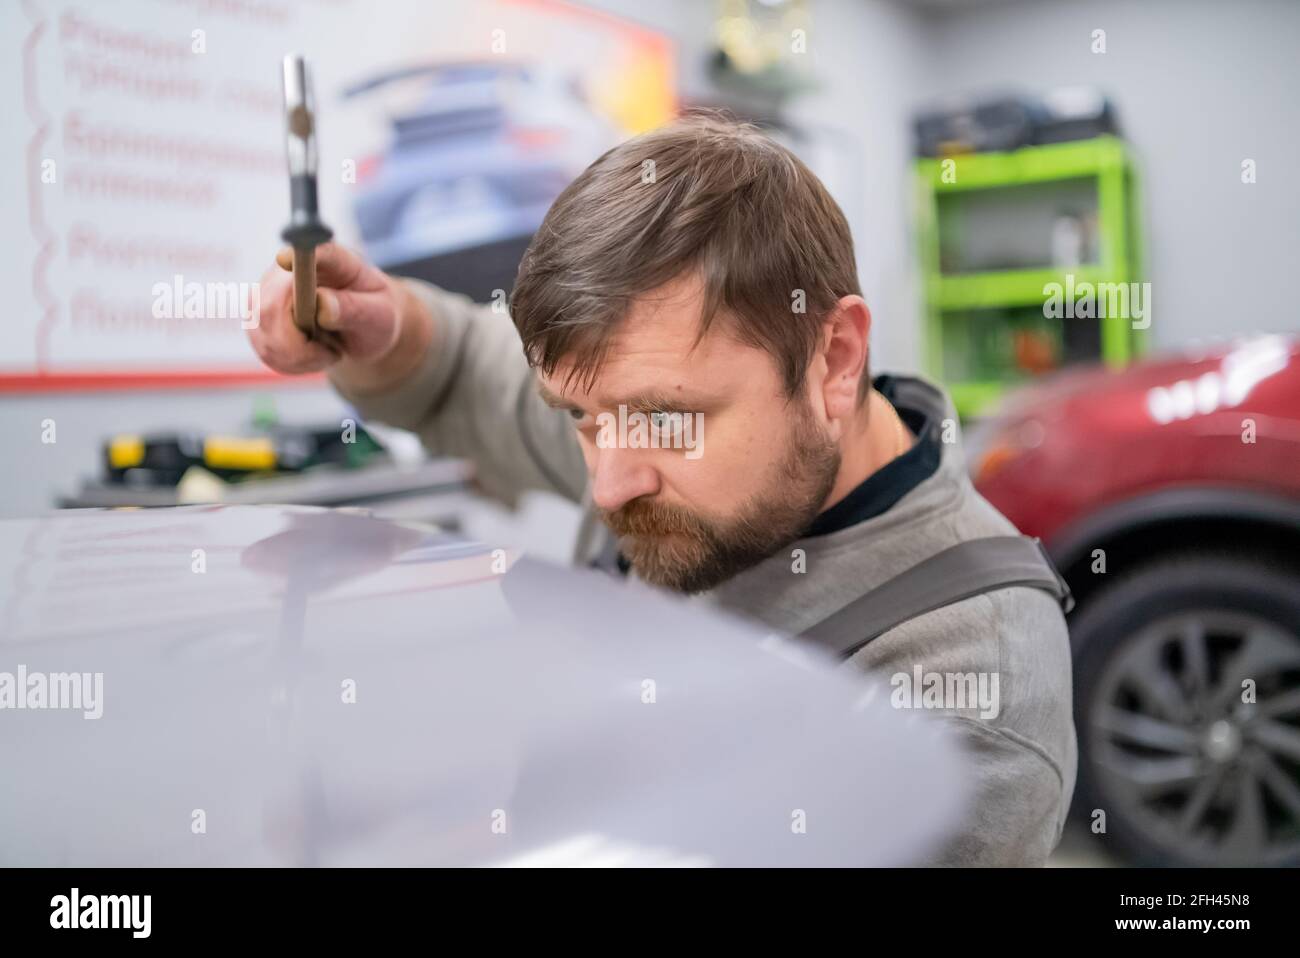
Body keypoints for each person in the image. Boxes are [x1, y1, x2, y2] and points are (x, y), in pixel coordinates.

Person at [249, 112, 1077, 866]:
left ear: (834, 359)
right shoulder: (633, 415)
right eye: (578, 415)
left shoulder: (971, 683)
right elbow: (468, 362)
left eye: (662, 420)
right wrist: (387, 329)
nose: (608, 485)